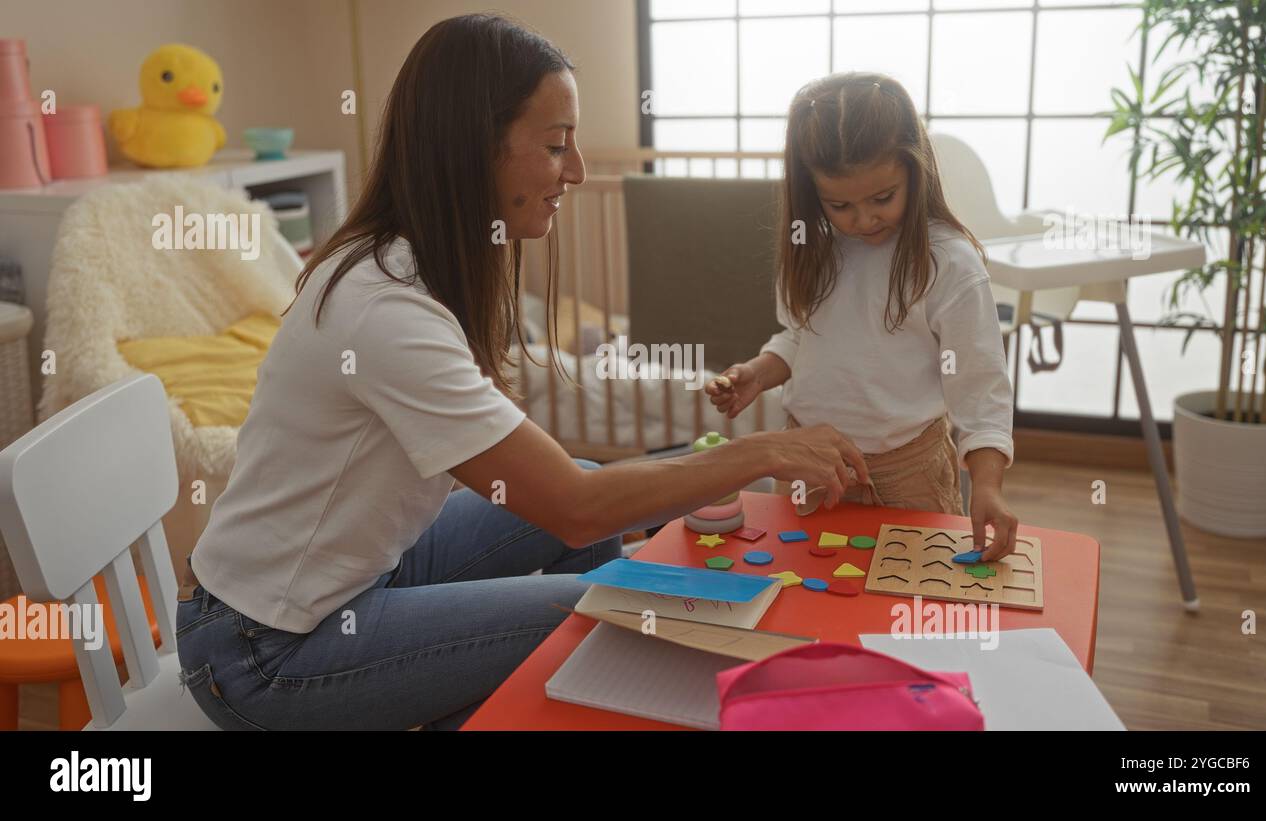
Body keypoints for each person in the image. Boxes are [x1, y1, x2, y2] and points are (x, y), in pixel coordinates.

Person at [175, 14, 866, 731]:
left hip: (362, 572)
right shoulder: (382, 309)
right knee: (584, 611)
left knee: (584, 501)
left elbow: (572, 496)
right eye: (556, 145)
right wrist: (761, 450)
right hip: (265, 650)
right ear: (476, 146)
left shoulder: (416, 267)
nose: (578, 171)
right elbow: (575, 504)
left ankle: (496, 692)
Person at [707, 72, 1018, 561]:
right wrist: (756, 374)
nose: (864, 220)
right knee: (804, 592)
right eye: (840, 205)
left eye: (882, 198)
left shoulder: (948, 262)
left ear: (916, 171)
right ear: (812, 193)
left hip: (908, 468)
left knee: (908, 606)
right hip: (808, 462)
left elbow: (981, 390)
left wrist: (988, 486)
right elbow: (799, 337)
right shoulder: (810, 248)